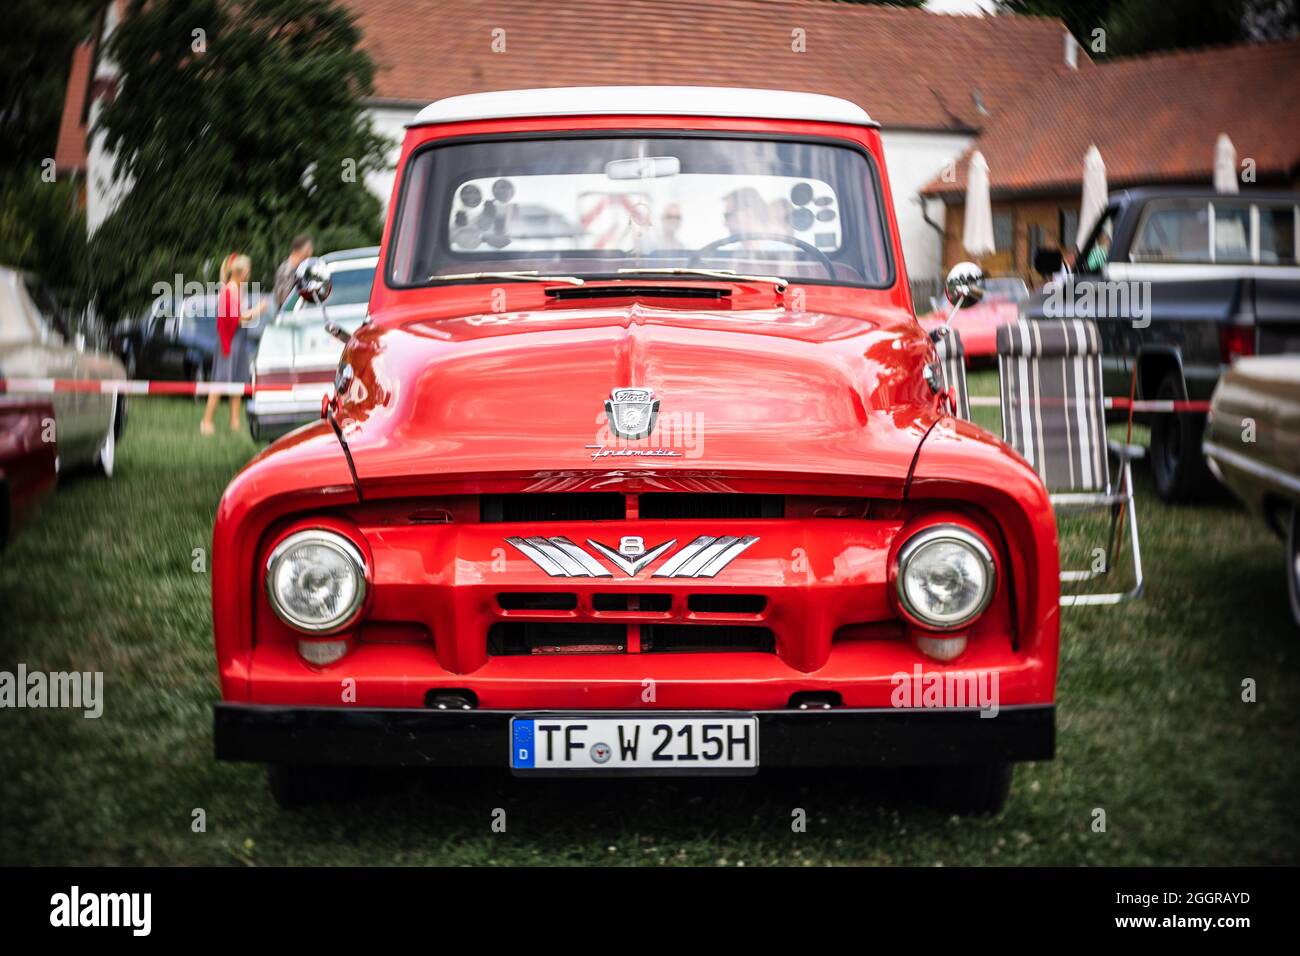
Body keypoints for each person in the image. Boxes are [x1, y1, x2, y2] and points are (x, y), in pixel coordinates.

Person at [201, 253, 267, 435]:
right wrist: (258, 310)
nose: (250, 274)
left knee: (236, 382)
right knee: (220, 382)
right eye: (248, 270)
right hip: (229, 342)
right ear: (241, 271)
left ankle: (235, 423)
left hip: (237, 341)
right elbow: (236, 319)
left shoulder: (237, 289)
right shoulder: (231, 289)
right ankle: (206, 422)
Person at [273, 234, 313, 311]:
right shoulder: (287, 270)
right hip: (288, 317)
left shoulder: (298, 269)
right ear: (306, 250)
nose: (311, 252)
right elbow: (284, 301)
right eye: (309, 248)